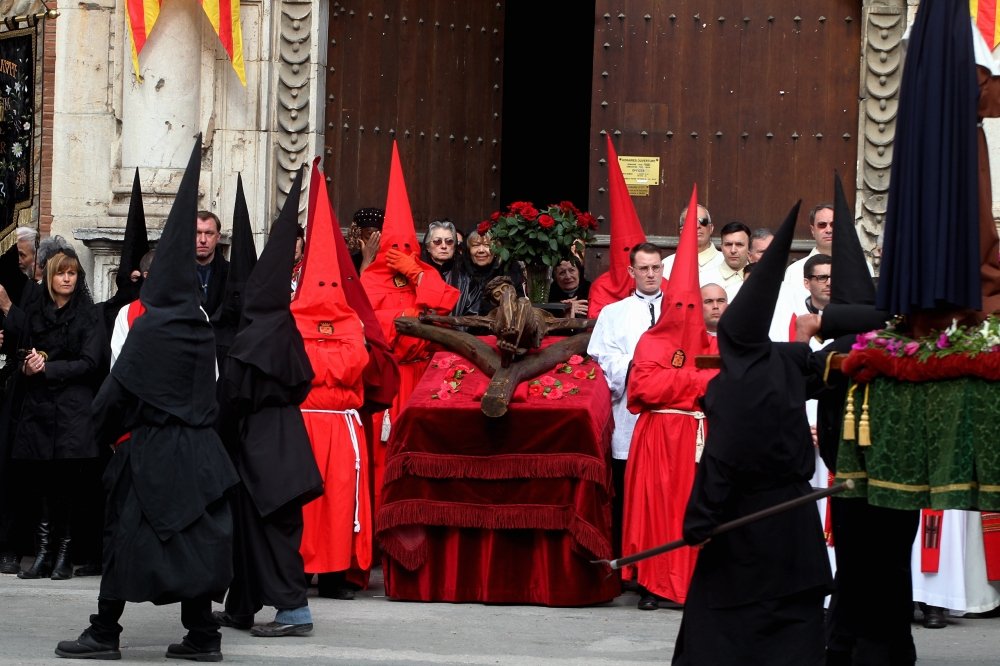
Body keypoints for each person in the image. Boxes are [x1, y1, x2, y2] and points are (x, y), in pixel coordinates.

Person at [54, 136, 239, 662]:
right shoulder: (200, 326)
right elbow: (215, 390)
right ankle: (202, 637)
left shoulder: (152, 328)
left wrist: (106, 436)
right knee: (193, 546)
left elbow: (116, 391)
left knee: (123, 541)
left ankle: (104, 633)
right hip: (201, 456)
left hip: (152, 453)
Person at [673, 201, 833, 665]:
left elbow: (721, 463)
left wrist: (699, 523)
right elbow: (827, 366)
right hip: (795, 521)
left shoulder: (729, 389)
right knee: (795, 625)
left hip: (746, 531)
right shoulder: (787, 364)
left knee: (724, 627)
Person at [216, 170, 323, 637]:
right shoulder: (284, 330)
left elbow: (232, 396)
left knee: (273, 531)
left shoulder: (256, 335)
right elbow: (301, 386)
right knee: (252, 529)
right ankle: (242, 605)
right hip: (284, 442)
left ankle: (294, 611)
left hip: (260, 446)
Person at [623, 193, 719, 611]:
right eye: (676, 304)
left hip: (700, 438)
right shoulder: (649, 339)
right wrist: (692, 381)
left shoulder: (714, 342)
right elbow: (642, 389)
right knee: (656, 512)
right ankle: (653, 583)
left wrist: (677, 380)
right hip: (659, 436)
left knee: (697, 508)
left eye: (690, 305)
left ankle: (698, 581)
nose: (683, 311)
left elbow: (718, 385)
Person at [360, 143, 459, 512]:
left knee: (421, 454)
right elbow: (373, 329)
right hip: (387, 379)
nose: (400, 249)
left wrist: (416, 272)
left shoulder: (425, 272)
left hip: (422, 381)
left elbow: (447, 302)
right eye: (394, 245)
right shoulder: (370, 279)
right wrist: (409, 322)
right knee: (380, 458)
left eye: (407, 245)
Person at [292, 169, 372, 602]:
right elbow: (301, 366)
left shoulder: (351, 320)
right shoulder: (292, 317)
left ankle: (336, 574)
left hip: (340, 424)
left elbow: (354, 363)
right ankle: (300, 570)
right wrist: (331, 358)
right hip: (304, 420)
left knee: (341, 500)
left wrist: (321, 360)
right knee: (305, 501)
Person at [3, 249, 105, 581]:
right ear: (50, 277)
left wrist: (48, 367)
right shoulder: (36, 313)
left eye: (72, 273)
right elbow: (23, 352)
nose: (66, 278)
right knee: (41, 487)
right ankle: (43, 554)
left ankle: (64, 555)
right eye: (61, 273)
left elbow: (90, 363)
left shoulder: (89, 316)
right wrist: (28, 363)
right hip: (39, 410)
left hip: (73, 409)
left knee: (67, 487)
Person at [588, 242, 664, 556]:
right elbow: (601, 360)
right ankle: (628, 564)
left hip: (671, 419)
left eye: (656, 268)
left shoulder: (681, 308)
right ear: (631, 271)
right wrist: (637, 368)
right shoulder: (613, 313)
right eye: (643, 268)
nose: (650, 274)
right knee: (628, 495)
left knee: (661, 497)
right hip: (629, 417)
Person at [663, 203, 723, 281]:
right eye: (692, 221)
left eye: (703, 221)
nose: (698, 226)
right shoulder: (667, 265)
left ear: (711, 228)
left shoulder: (726, 262)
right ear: (682, 231)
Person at [703, 221, 750, 301]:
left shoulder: (758, 278)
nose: (733, 250)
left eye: (739, 244)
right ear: (721, 247)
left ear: (749, 247)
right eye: (728, 244)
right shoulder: (704, 278)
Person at [196, 210, 230, 321]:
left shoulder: (231, 274)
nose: (203, 240)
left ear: (218, 237)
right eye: (197, 233)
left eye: (209, 233)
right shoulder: (175, 274)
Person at [347, 207, 383, 275]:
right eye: (368, 238)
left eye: (377, 238)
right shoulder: (349, 261)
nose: (372, 245)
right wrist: (366, 261)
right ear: (358, 237)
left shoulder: (391, 261)